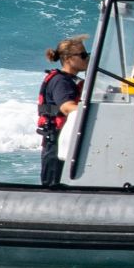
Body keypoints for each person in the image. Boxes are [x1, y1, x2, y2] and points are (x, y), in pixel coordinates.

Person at [37, 37, 87, 188]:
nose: (88, 58)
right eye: (83, 55)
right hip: (57, 145)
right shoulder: (61, 81)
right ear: (69, 59)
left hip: (66, 142)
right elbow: (67, 107)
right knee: (54, 187)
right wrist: (98, 112)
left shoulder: (73, 81)